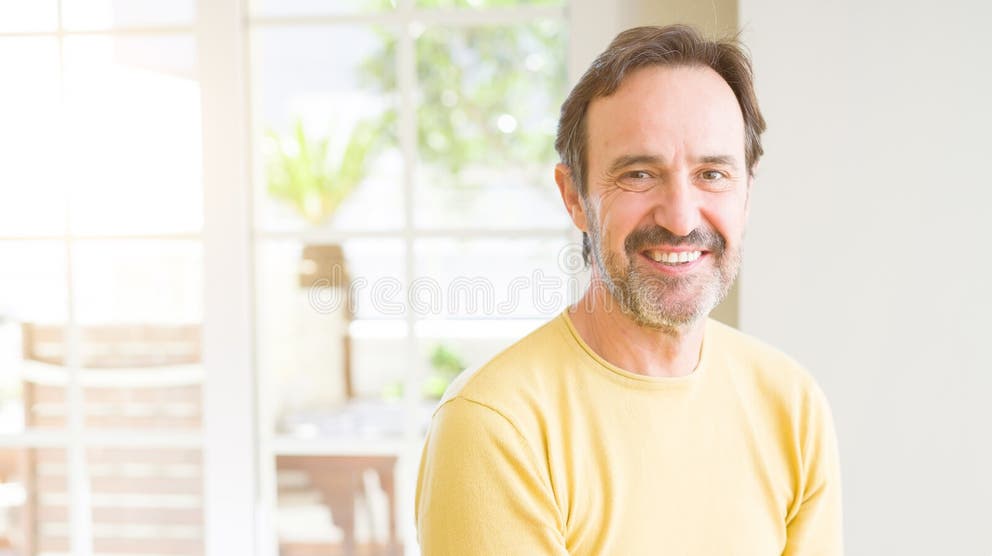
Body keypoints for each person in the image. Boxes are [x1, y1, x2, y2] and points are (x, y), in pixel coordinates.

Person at [415, 24, 843, 555]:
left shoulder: (791, 404)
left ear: (747, 192)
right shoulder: (496, 425)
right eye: (640, 174)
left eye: (712, 174)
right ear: (574, 197)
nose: (682, 218)